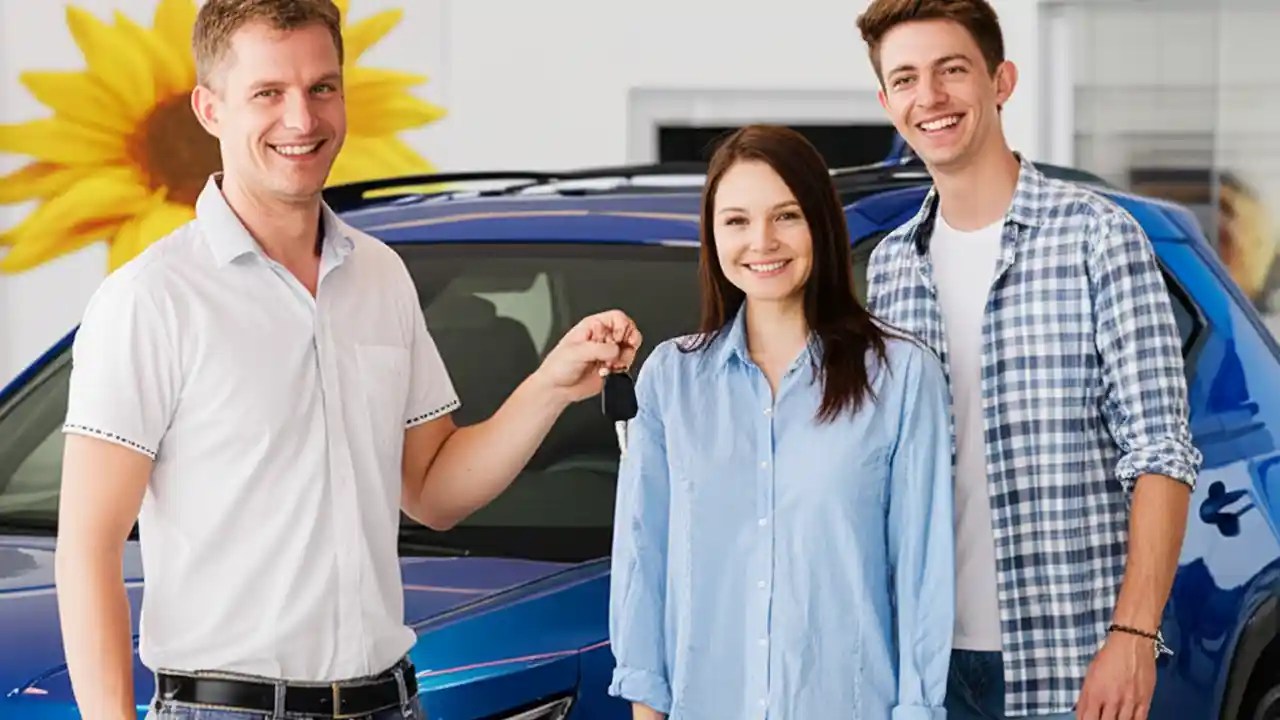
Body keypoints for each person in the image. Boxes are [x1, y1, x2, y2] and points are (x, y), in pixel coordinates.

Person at [52, 2, 640, 719]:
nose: (302, 120)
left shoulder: (381, 277)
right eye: (268, 93)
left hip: (387, 703)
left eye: (322, 87)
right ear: (210, 109)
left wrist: (549, 386)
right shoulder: (151, 298)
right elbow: (87, 549)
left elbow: (433, 490)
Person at [854, 2, 1204, 719]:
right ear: (888, 104)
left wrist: (1133, 635)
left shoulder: (1099, 238)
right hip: (922, 661)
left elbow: (1161, 453)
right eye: (907, 79)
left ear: (1000, 80)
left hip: (1068, 656)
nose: (932, 98)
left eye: (953, 71)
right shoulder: (892, 267)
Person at [606, 124, 955, 719]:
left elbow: (922, 574)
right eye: (737, 221)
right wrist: (646, 708)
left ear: (820, 222)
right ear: (713, 235)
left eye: (785, 216)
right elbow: (643, 557)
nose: (761, 241)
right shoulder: (670, 379)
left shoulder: (900, 375)